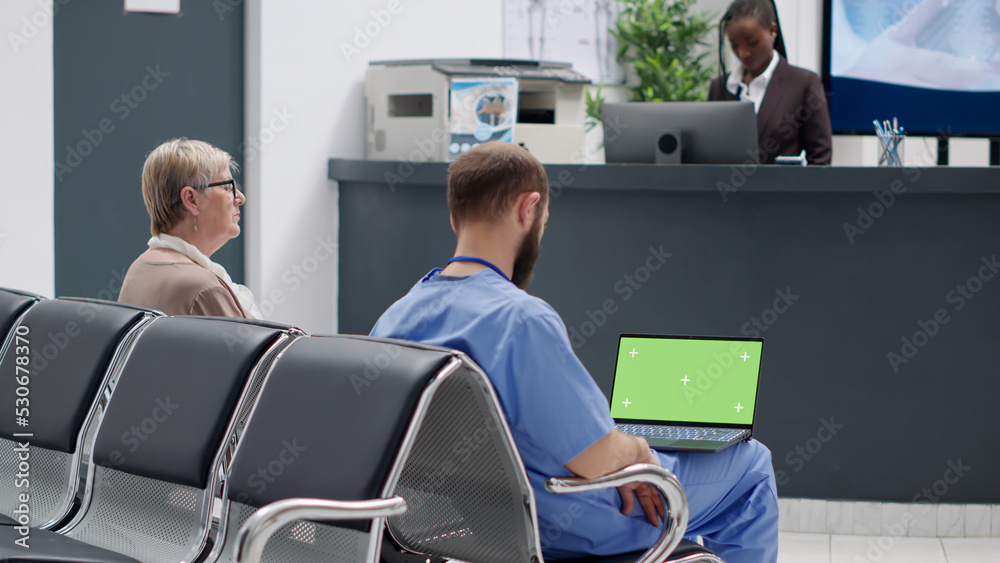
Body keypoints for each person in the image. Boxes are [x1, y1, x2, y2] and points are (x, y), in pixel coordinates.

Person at [370, 142, 778, 563]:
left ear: (455, 219)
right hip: (570, 521)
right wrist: (638, 452)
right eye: (544, 220)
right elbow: (598, 458)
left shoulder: (394, 320)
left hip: (473, 527)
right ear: (528, 209)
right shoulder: (521, 320)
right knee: (752, 467)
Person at [118, 138, 262, 318]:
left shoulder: (139, 268)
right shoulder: (203, 288)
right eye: (227, 187)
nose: (240, 198)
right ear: (192, 200)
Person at [708, 0, 832, 165]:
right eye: (735, 45)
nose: (743, 53)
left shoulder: (804, 83)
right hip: (724, 189)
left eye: (752, 42)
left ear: (772, 31)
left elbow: (820, 159)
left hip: (782, 189)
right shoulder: (720, 87)